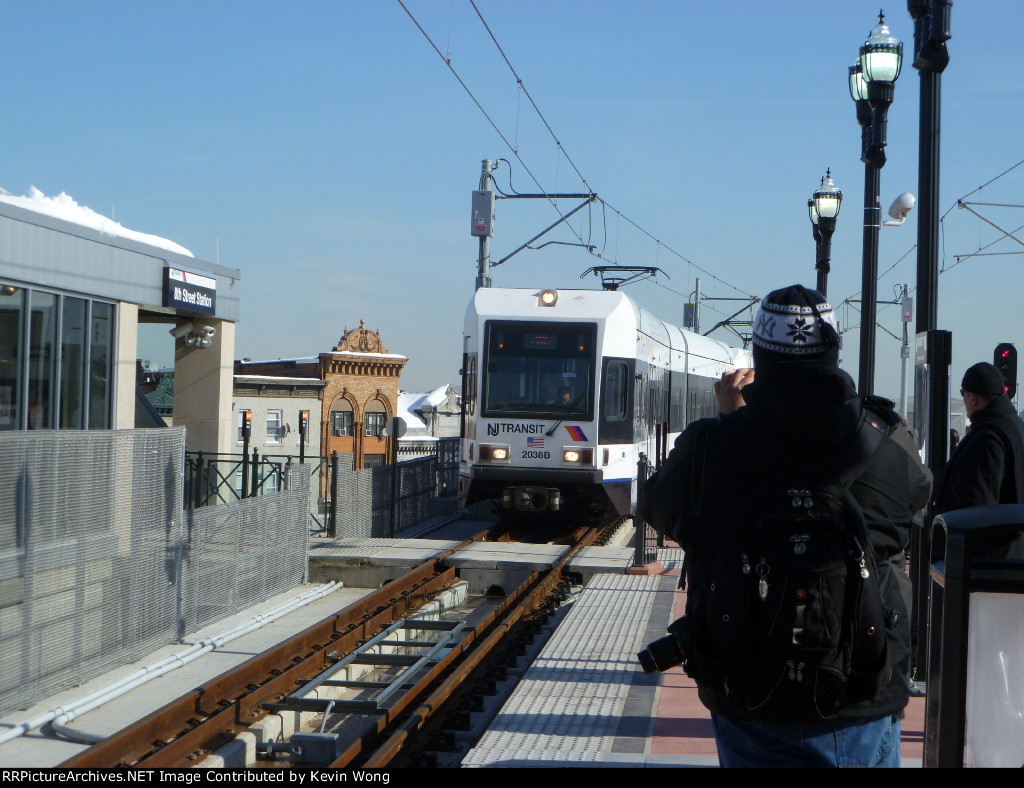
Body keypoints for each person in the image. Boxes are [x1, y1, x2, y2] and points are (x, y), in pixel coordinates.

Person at [641, 284, 931, 768]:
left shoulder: (711, 446)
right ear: (834, 351)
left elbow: (660, 508)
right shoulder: (882, 440)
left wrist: (733, 422)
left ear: (759, 356)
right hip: (861, 688)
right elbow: (913, 502)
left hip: (747, 687)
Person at [933, 362, 1024, 558]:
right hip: (1012, 555)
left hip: (987, 564)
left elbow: (975, 506)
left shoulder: (987, 438)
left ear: (972, 397)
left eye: (963, 393)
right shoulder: (1015, 429)